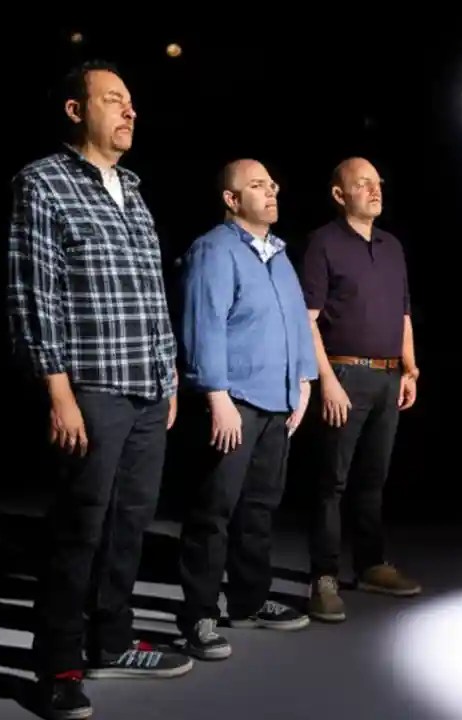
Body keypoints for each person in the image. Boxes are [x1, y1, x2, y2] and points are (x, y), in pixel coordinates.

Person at [7, 59, 192, 720]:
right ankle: (58, 666)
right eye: (114, 99)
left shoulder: (133, 190)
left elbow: (152, 291)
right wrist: (58, 393)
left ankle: (111, 642)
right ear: (75, 110)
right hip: (91, 386)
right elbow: (34, 294)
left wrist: (169, 374)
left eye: (131, 101)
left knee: (130, 525)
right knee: (79, 528)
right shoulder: (42, 183)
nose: (129, 110)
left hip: (148, 385)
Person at [173, 158, 317, 661]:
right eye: (257, 185)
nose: (271, 191)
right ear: (232, 199)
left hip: (278, 402)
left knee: (260, 509)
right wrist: (216, 396)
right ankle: (198, 615)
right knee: (213, 512)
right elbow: (202, 323)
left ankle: (249, 601)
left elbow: (297, 321)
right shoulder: (214, 250)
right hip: (234, 402)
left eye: (272, 183)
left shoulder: (278, 254)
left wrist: (303, 382)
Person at [300, 157, 422, 624]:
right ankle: (323, 577)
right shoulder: (323, 243)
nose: (375, 190)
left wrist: (409, 368)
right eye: (363, 183)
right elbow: (307, 320)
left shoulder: (392, 246)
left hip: (389, 377)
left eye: (378, 182)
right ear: (339, 194)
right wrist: (327, 380)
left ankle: (371, 564)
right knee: (331, 482)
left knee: (373, 479)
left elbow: (404, 313)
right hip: (346, 376)